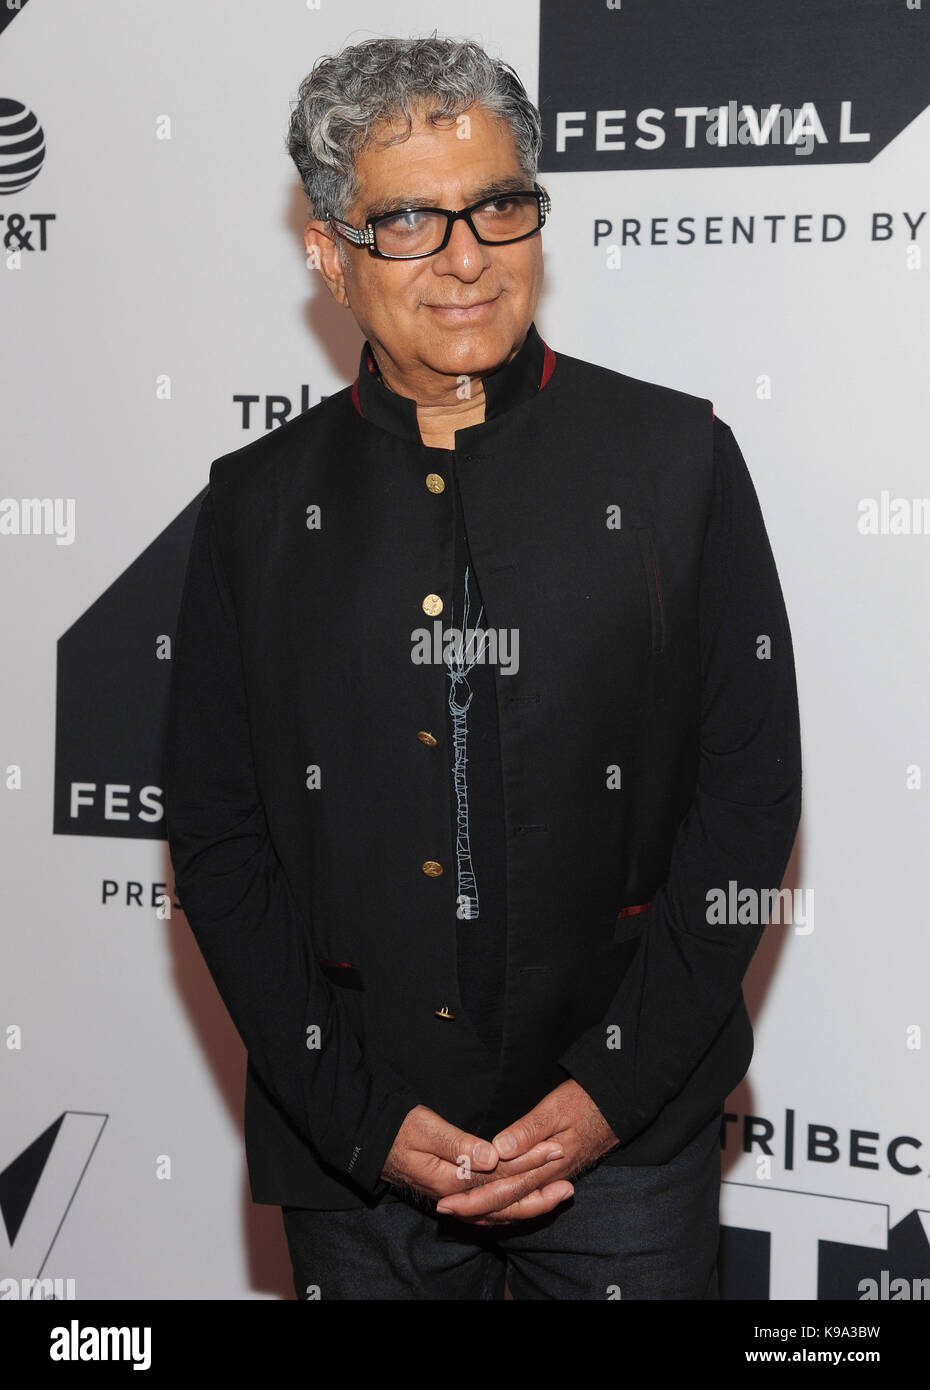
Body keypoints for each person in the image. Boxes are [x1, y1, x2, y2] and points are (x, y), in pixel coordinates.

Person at [163, 35, 801, 1301]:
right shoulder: (253, 507)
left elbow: (747, 804)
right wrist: (359, 1115)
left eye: (499, 205)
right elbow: (219, 834)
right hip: (356, 1158)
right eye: (409, 220)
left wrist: (609, 1092)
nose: (467, 256)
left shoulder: (678, 462)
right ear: (329, 254)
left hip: (627, 1148)